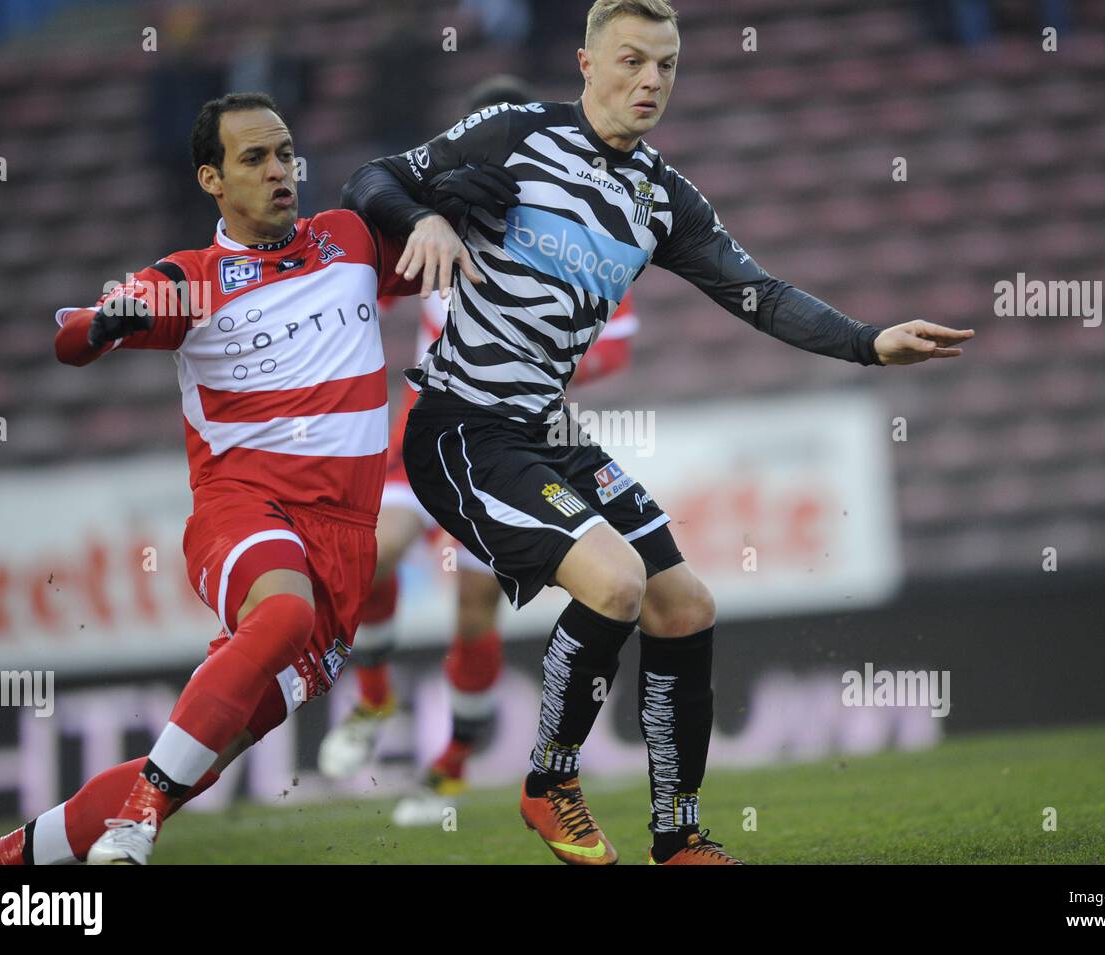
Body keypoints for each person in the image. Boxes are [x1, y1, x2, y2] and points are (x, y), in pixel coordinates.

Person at [341, 0, 975, 866]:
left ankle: (676, 839)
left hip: (546, 429)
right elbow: (371, 177)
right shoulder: (515, 130)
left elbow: (762, 294)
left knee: (686, 606)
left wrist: (869, 342)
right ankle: (547, 783)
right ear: (587, 63)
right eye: (633, 60)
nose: (650, 81)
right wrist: (423, 217)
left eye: (666, 66)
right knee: (616, 583)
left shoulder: (660, 196)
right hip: (460, 427)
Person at [0, 92, 513, 866]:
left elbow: (443, 259)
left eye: (285, 153)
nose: (280, 171)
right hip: (245, 513)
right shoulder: (190, 278)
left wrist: (463, 217)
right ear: (212, 179)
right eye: (254, 158)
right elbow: (73, 342)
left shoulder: (347, 240)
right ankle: (140, 816)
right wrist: (103, 323)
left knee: (201, 760)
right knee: (279, 618)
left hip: (341, 548)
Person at [317, 77, 639, 830]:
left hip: (507, 440)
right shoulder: (441, 220)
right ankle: (371, 695)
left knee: (471, 603)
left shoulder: (579, 234)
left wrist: (534, 352)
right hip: (420, 435)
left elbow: (616, 344)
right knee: (367, 557)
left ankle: (450, 768)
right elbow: (361, 276)